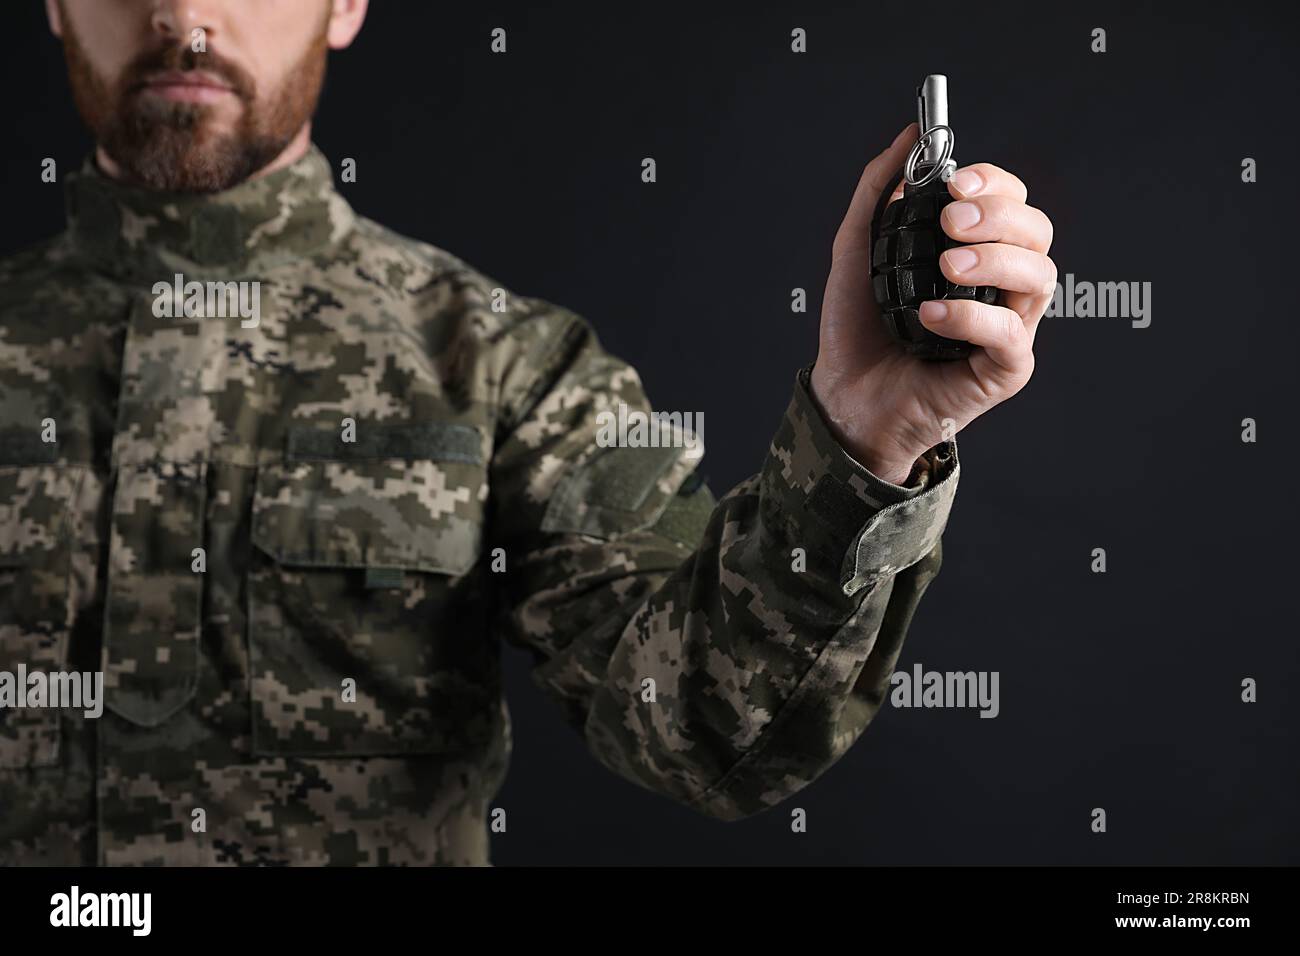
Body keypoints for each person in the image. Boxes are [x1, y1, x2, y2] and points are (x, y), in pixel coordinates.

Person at [0, 0, 1055, 865]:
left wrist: (859, 448)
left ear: (347, 4)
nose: (183, 16)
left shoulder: (508, 363)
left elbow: (698, 725)